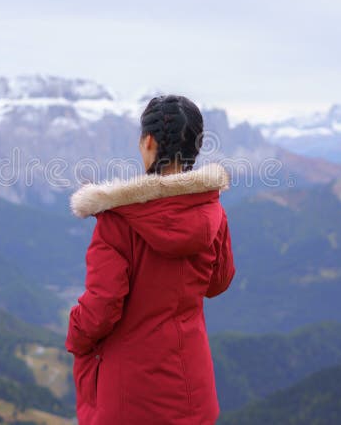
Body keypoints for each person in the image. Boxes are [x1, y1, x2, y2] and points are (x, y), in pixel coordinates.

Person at [65, 94, 236, 424]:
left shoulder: (118, 221)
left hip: (130, 398)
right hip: (192, 391)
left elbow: (101, 308)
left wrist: (74, 331)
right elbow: (217, 282)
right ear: (195, 147)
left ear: (148, 142)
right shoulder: (212, 211)